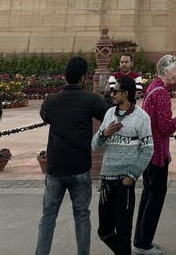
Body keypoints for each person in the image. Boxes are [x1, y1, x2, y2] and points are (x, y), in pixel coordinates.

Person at [35, 55, 109, 255]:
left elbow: (45, 117)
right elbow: (108, 114)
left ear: (65, 77)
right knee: (82, 216)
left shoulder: (52, 101)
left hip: (56, 167)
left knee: (48, 216)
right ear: (84, 78)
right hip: (80, 167)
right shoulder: (90, 100)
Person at [133, 55, 176, 255]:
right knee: (155, 198)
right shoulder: (162, 94)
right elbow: (164, 127)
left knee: (148, 195)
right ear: (165, 71)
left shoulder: (152, 89)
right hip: (157, 154)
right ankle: (144, 242)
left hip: (149, 151)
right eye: (175, 70)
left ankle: (141, 239)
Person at [93, 75, 154, 255]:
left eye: (115, 91)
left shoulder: (141, 117)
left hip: (125, 183)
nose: (112, 94)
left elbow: (148, 150)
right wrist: (105, 133)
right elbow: (95, 146)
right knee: (104, 231)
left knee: (124, 232)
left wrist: (132, 176)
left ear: (126, 94)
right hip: (107, 181)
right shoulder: (109, 114)